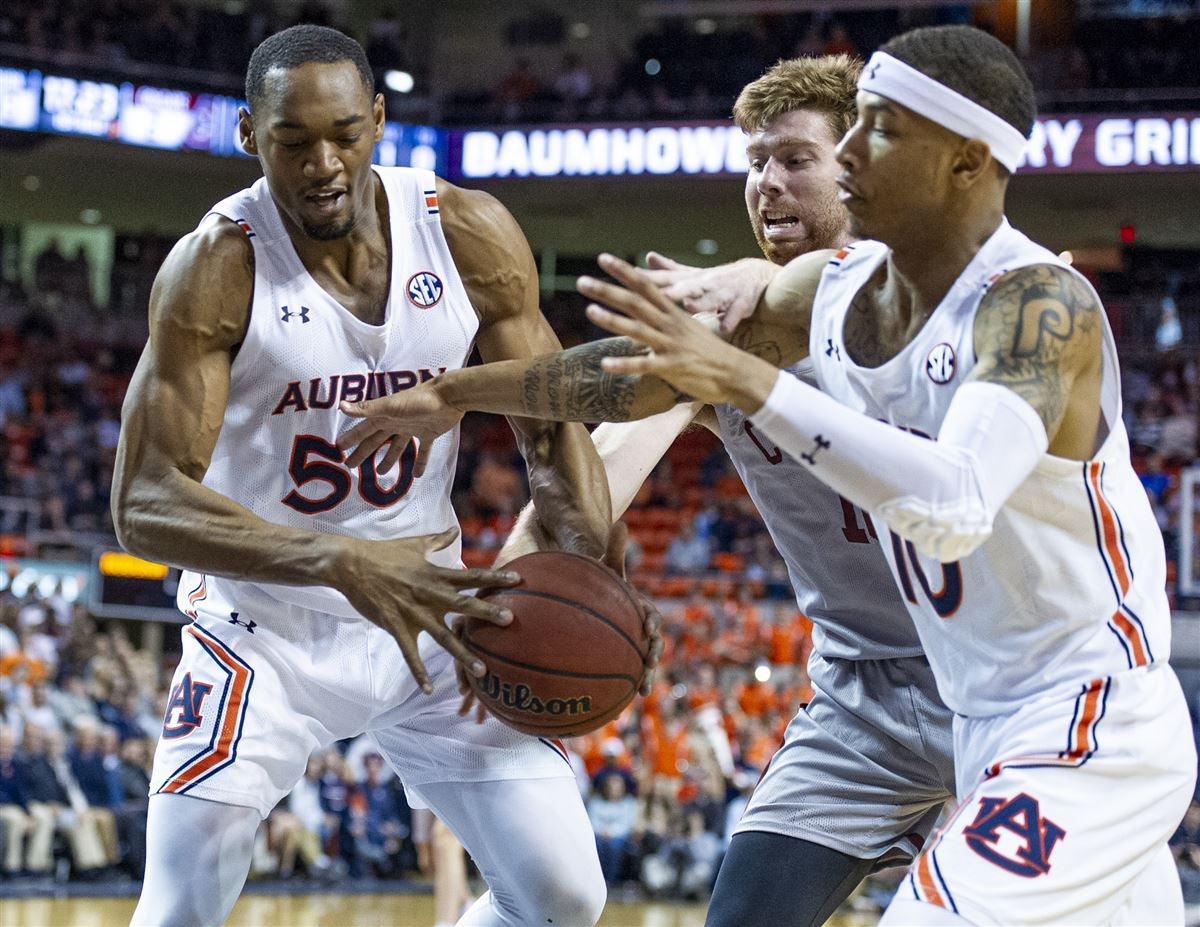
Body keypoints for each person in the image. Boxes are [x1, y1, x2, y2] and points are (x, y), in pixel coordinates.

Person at [341, 25, 1199, 923]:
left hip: (1073, 699)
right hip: (876, 694)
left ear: (964, 160)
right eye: (762, 161)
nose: (844, 156)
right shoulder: (825, 295)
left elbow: (954, 502)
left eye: (855, 139)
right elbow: (619, 396)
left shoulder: (1035, 306)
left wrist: (748, 380)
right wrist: (456, 393)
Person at [343, 55, 956, 926]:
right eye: (755, 163)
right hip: (862, 695)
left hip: (998, 677)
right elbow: (592, 474)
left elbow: (828, 285)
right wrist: (508, 603)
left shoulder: (932, 290)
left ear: (858, 166)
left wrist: (751, 278)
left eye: (796, 160)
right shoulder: (717, 334)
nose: (768, 183)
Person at [111, 23, 654, 927]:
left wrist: (600, 582)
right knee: (179, 908)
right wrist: (340, 560)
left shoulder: (465, 231)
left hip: (432, 610)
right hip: (265, 628)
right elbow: (142, 502)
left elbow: (552, 433)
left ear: (378, 120)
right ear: (248, 133)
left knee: (564, 894)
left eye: (344, 134)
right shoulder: (216, 267)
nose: (322, 163)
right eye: (292, 140)